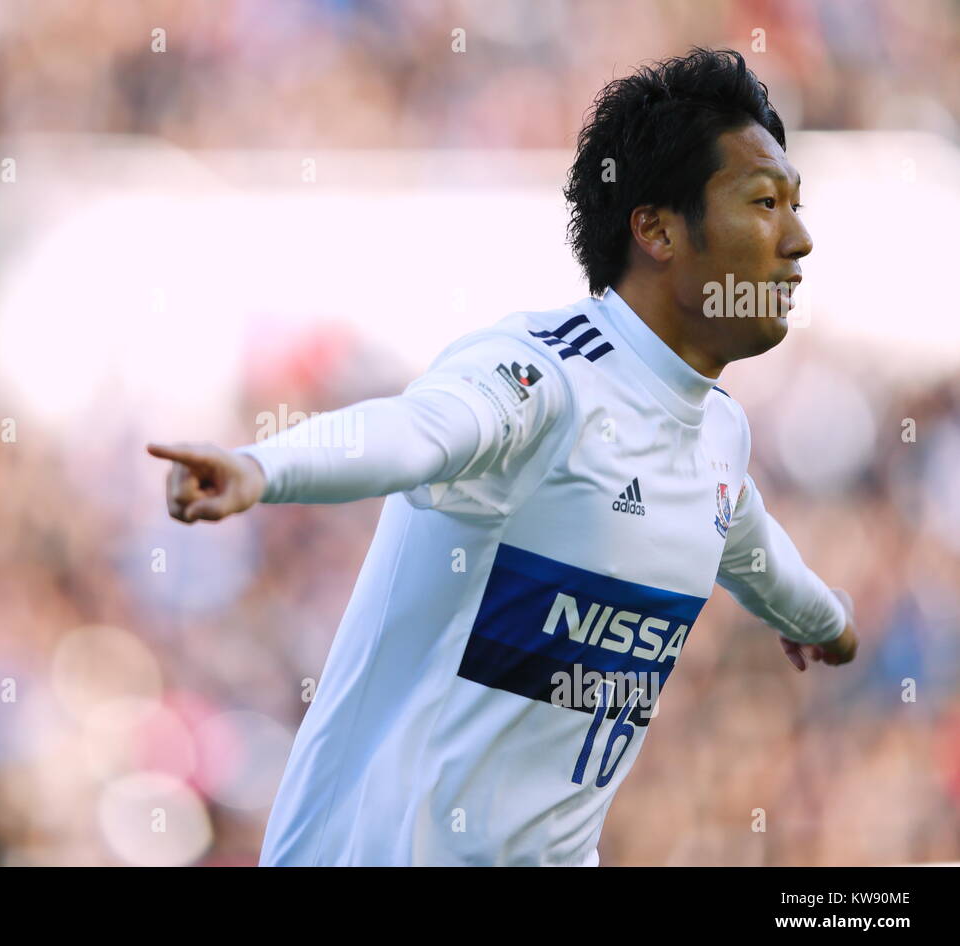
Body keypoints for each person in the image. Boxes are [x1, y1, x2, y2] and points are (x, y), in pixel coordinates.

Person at [147, 47, 858, 866]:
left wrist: (826, 624)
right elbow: (416, 432)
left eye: (796, 206)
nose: (799, 241)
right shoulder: (541, 375)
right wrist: (265, 468)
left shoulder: (718, 435)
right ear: (657, 227)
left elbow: (760, 558)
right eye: (766, 202)